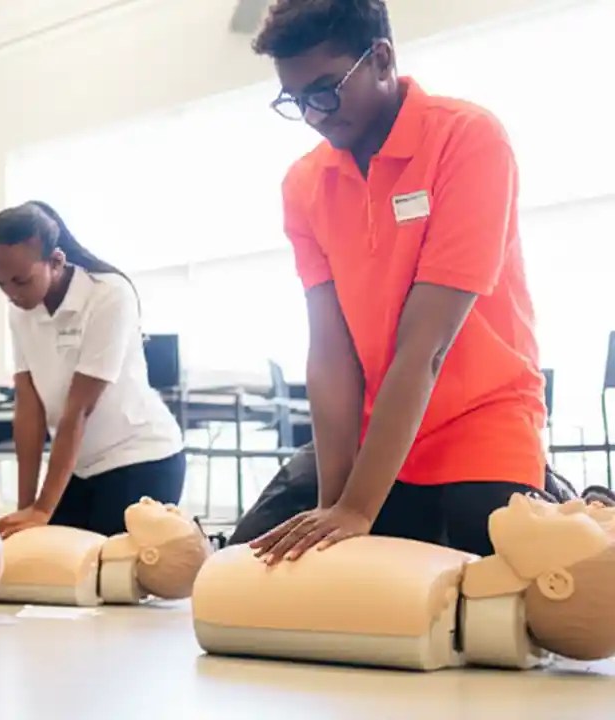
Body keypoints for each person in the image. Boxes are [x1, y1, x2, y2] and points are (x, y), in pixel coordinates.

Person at [245, 0, 546, 564]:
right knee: (248, 566)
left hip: (479, 429)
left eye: (326, 90)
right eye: (295, 98)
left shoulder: (468, 139)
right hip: (370, 439)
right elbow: (330, 354)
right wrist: (332, 504)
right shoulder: (305, 184)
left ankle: (563, 499)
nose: (313, 114)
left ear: (381, 59)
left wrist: (358, 511)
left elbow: (425, 348)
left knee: (492, 596)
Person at [0, 201, 186, 539]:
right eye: (1, 283)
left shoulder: (108, 295)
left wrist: (43, 510)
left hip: (139, 459)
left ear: (56, 261)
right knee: (36, 555)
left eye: (21, 280)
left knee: (101, 571)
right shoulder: (20, 310)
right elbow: (28, 409)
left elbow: (77, 411)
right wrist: (27, 508)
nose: (12, 294)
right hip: (79, 468)